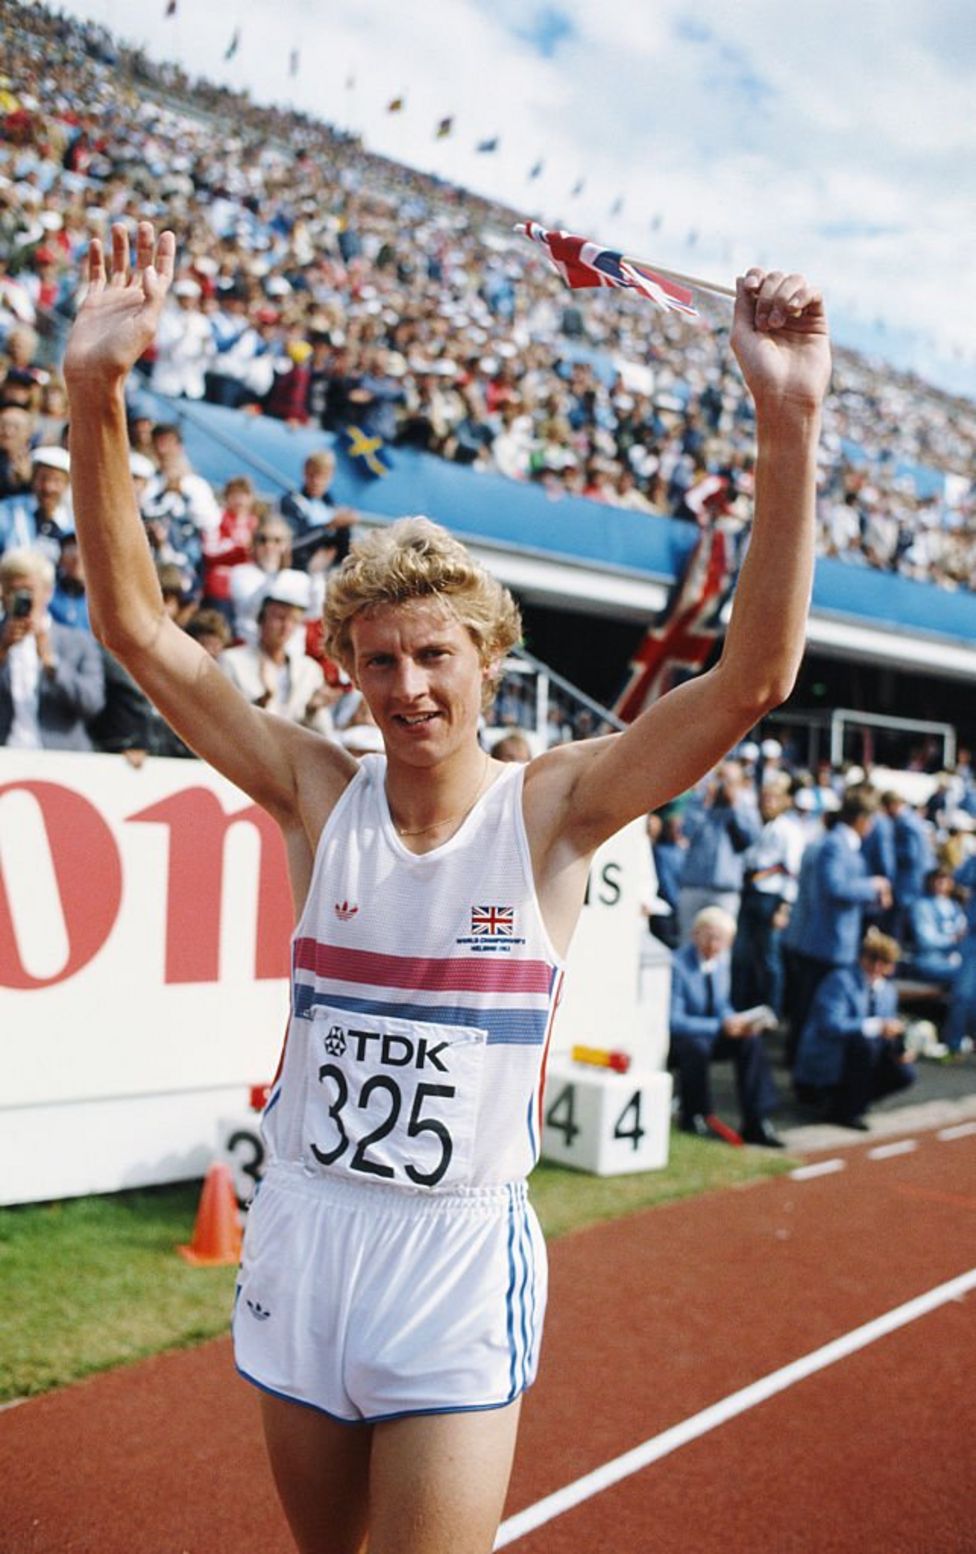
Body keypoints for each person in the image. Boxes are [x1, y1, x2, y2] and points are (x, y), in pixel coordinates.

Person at [64, 221, 829, 1554]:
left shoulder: (554, 807)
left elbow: (753, 677)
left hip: (453, 1254)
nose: (404, 688)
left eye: (431, 657)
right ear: (348, 670)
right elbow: (137, 630)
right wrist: (95, 394)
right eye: (375, 661)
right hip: (305, 1225)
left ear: (487, 659)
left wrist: (788, 424)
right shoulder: (317, 788)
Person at [782, 786, 892, 1060]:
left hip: (827, 939)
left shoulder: (837, 844)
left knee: (809, 1005)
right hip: (826, 942)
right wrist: (873, 886)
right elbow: (836, 888)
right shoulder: (835, 845)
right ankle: (802, 1066)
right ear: (862, 819)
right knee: (811, 1008)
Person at [668, 906, 783, 1146]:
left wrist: (737, 1021)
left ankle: (756, 1120)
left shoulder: (721, 965)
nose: (713, 944)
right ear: (695, 934)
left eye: (720, 940)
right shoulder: (677, 965)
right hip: (684, 1040)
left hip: (713, 1032)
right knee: (695, 1048)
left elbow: (721, 1005)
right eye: (708, 936)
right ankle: (696, 1115)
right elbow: (675, 1020)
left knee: (750, 1042)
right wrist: (720, 1025)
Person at [793, 928, 915, 1129]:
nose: (876, 966)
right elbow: (830, 1024)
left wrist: (900, 1048)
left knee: (905, 1072)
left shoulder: (888, 991)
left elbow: (889, 1028)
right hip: (832, 1053)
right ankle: (842, 1108)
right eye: (872, 958)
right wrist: (875, 1026)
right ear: (862, 957)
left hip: (863, 1057)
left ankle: (854, 1102)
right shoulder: (840, 980)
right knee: (865, 1046)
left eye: (884, 961)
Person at [0, 546, 105, 748]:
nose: (21, 598)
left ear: (47, 592)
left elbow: (92, 703)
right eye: (13, 590)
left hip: (59, 761)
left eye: (28, 591)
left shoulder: (78, 642)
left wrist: (52, 664)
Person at [676, 758, 760, 941]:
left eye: (729, 781)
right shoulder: (699, 802)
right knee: (687, 942)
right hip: (694, 886)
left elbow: (751, 839)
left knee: (721, 947)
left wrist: (734, 807)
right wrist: (706, 803)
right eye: (720, 778)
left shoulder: (745, 807)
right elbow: (686, 831)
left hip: (725, 891)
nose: (723, 785)